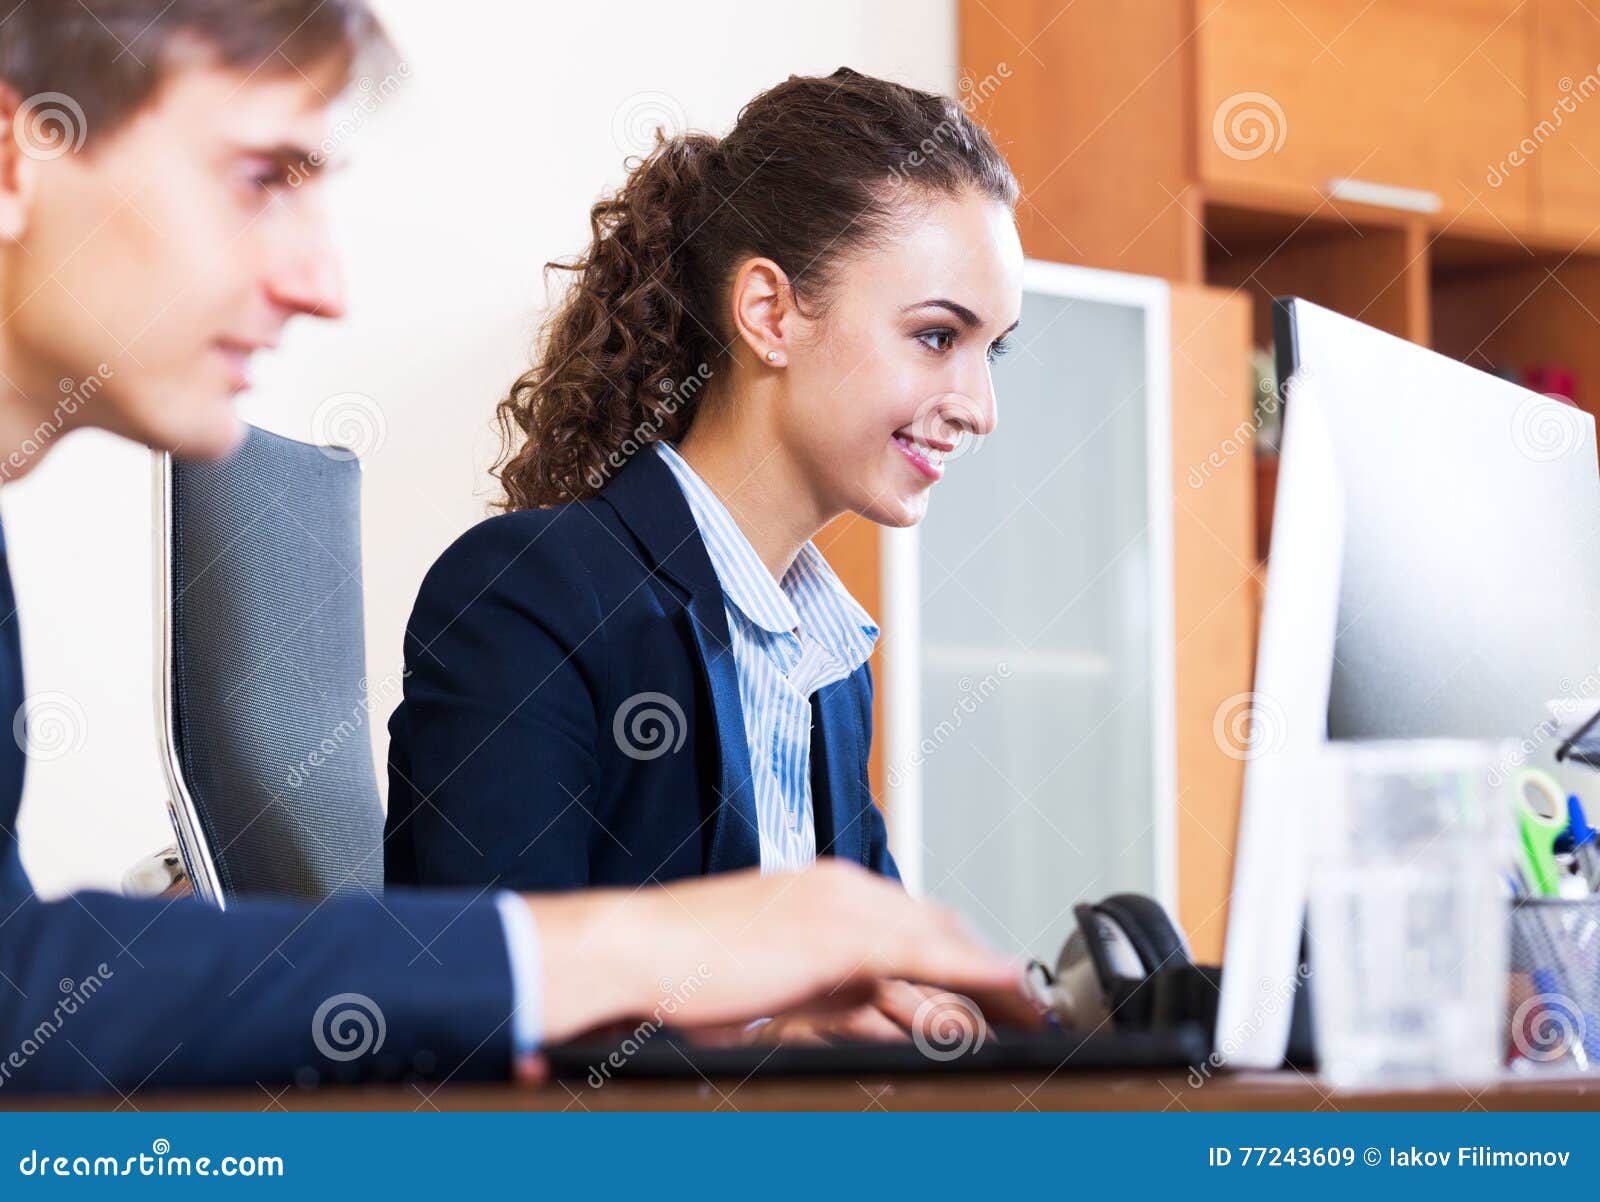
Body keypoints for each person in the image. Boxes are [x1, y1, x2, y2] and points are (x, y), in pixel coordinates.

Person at [0, 1, 1032, 1095]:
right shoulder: (537, 593)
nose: (322, 282)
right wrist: (655, 955)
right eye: (259, 177)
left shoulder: (831, 654)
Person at [385, 69, 1021, 892]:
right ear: (770, 314)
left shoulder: (831, 667)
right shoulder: (531, 598)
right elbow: (495, 993)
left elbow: (872, 979)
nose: (979, 408)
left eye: (992, 350)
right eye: (938, 337)